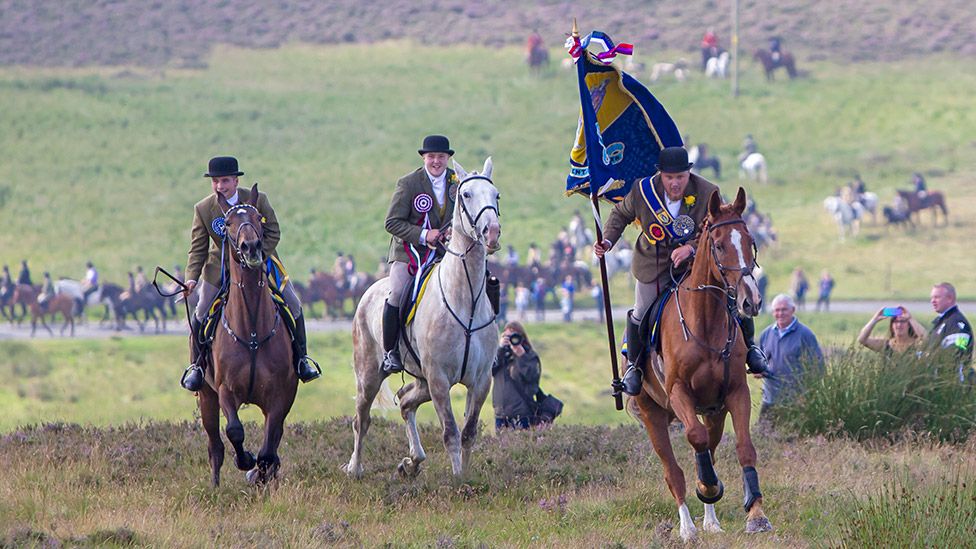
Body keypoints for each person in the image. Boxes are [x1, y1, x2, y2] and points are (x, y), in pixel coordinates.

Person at [594, 146, 767, 395]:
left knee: (731, 298)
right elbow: (620, 214)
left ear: (689, 174)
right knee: (642, 311)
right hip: (652, 265)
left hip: (695, 266)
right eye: (670, 178)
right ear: (660, 175)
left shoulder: (708, 192)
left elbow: (717, 233)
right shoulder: (642, 191)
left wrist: (691, 249)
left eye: (681, 177)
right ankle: (634, 366)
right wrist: (608, 241)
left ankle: (751, 348)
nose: (675, 183)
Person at [180, 156, 320, 391]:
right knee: (201, 310)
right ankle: (197, 367)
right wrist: (191, 278)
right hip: (220, 268)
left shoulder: (258, 200)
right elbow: (198, 249)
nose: (219, 186)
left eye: (225, 180)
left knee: (293, 304)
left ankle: (302, 360)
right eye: (215, 181)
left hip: (262, 263)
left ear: (235, 180)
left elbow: (274, 232)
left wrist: (255, 255)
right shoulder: (204, 209)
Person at [380, 135, 459, 375]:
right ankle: (390, 352)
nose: (436, 161)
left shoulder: (458, 183)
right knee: (397, 293)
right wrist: (425, 235)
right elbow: (392, 223)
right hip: (409, 253)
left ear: (448, 159)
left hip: (447, 254)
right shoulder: (409, 183)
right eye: (432, 156)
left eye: (441, 157)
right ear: (424, 158)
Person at [756, 294, 824, 420]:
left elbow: (818, 367)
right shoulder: (766, 334)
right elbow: (761, 361)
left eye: (784, 309)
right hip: (770, 399)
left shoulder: (805, 335)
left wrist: (807, 395)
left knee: (792, 438)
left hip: (795, 401)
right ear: (772, 312)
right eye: (777, 310)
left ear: (793, 310)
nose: (780, 313)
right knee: (762, 436)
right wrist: (758, 370)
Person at [492, 322, 542, 430]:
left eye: (514, 336)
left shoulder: (530, 356)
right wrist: (499, 349)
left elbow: (532, 377)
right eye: (507, 337)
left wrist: (522, 357)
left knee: (523, 446)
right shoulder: (501, 356)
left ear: (521, 338)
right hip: (501, 414)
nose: (511, 340)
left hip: (522, 413)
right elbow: (489, 370)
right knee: (502, 446)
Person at [927, 282, 973, 383]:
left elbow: (958, 351)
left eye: (937, 297)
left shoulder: (958, 323)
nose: (932, 301)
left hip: (954, 384)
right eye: (932, 298)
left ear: (950, 298)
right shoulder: (940, 322)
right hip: (938, 381)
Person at [858, 307, 926, 355]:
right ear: (892, 325)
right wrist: (874, 319)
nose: (899, 325)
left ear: (909, 325)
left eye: (902, 321)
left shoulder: (917, 344)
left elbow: (927, 339)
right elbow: (862, 339)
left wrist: (911, 319)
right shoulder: (887, 345)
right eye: (895, 322)